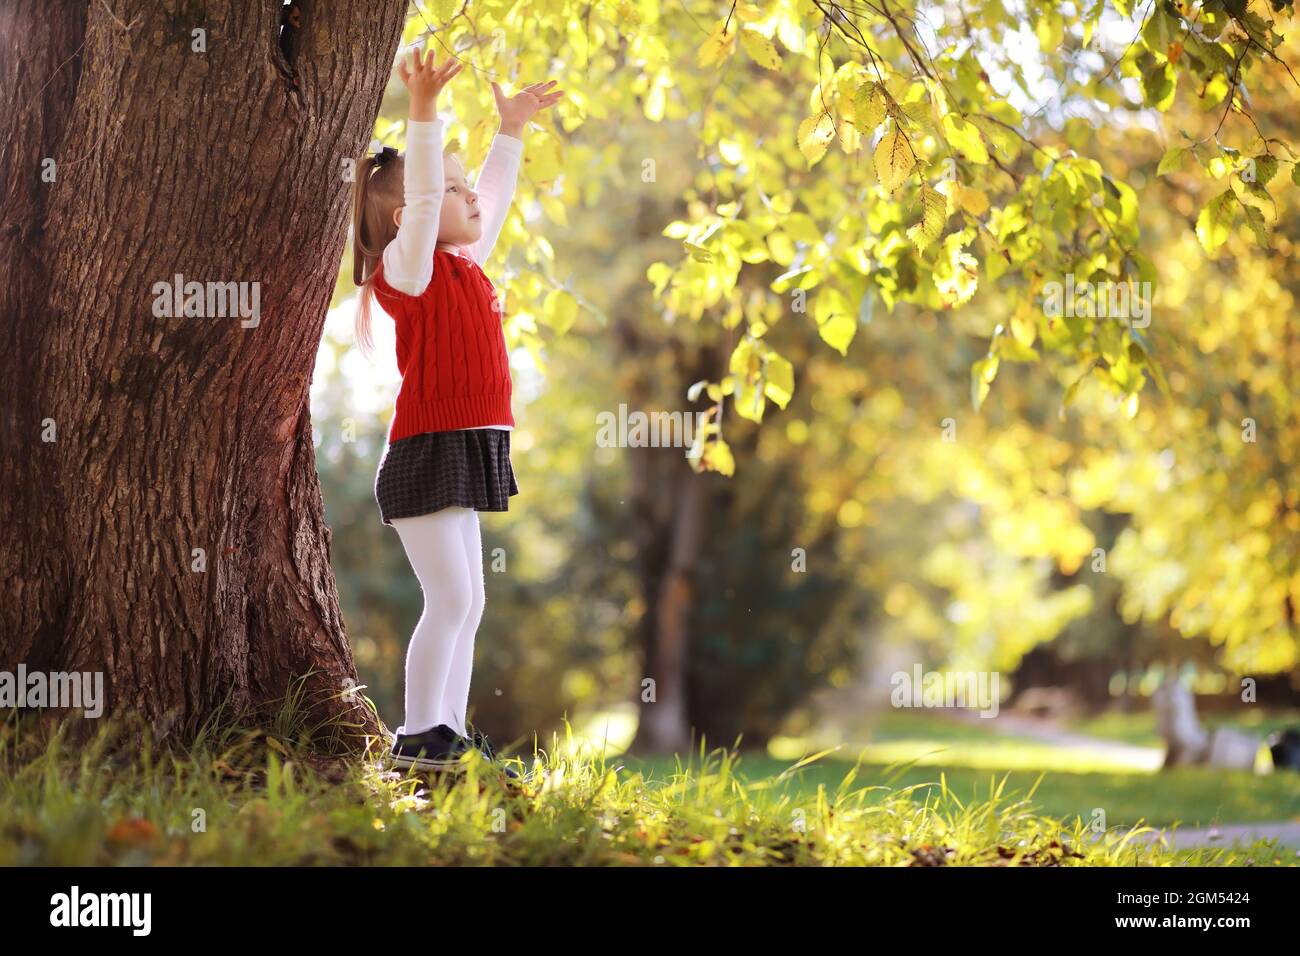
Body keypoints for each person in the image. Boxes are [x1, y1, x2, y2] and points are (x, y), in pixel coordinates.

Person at [348, 38, 562, 773]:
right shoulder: (405, 274)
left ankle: (449, 734)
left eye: (466, 186)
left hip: (467, 446)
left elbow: (491, 204)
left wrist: (510, 131)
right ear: (412, 214)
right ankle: (415, 734)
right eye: (452, 188)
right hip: (425, 452)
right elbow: (436, 199)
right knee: (448, 600)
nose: (470, 196)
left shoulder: (464, 266)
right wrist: (425, 107)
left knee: (469, 604)